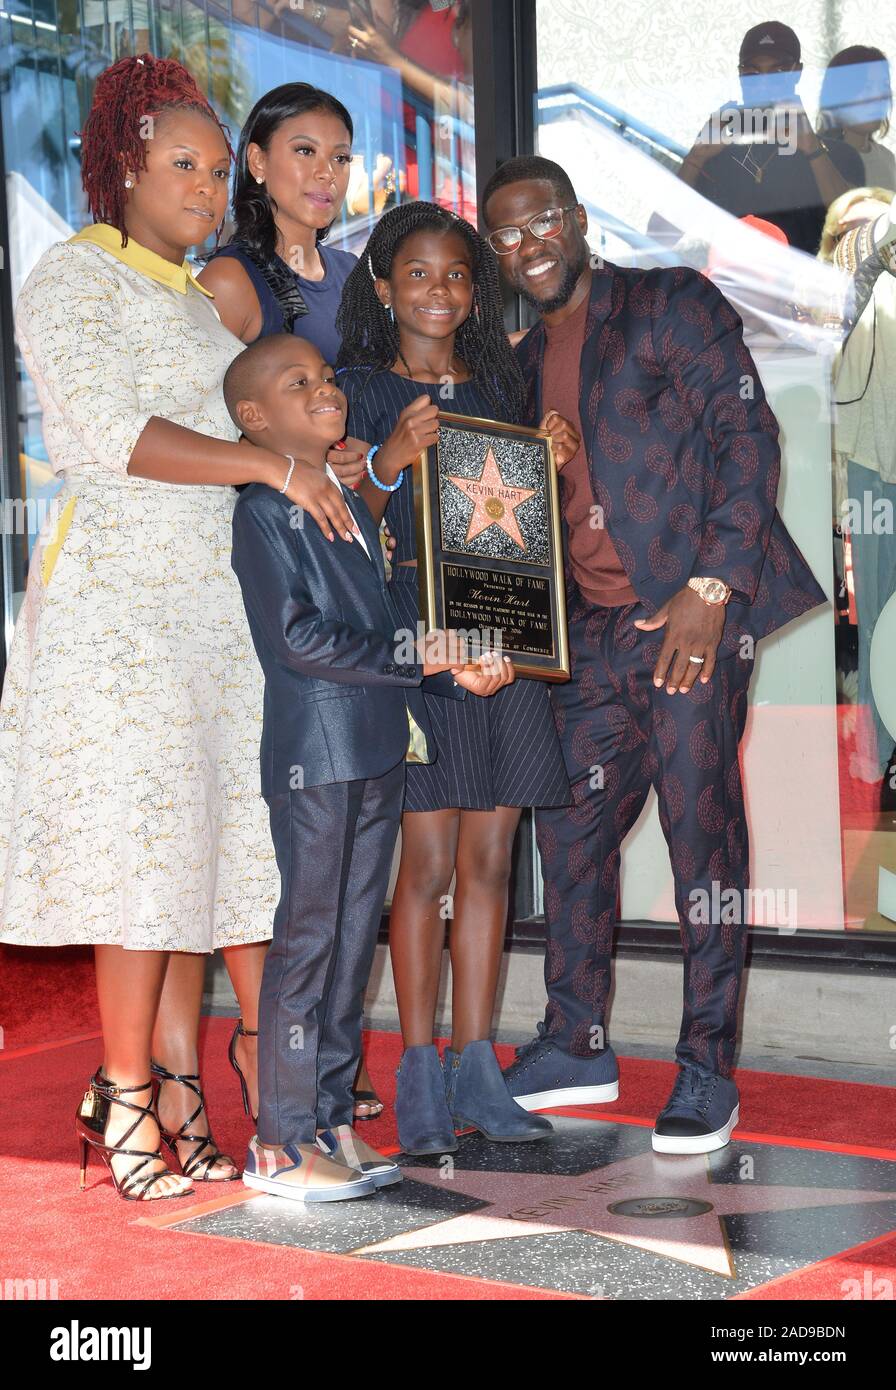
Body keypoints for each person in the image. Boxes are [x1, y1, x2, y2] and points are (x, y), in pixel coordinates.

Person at [1, 53, 360, 1201]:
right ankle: (123, 1096)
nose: (207, 189)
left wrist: (312, 459)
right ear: (123, 166)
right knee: (140, 857)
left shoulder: (200, 301)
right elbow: (108, 429)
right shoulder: (71, 277)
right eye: (184, 167)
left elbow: (250, 428)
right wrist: (266, 461)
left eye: (215, 171)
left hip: (220, 611)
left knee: (204, 862)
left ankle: (178, 1087)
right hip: (124, 612)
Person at [482, 155, 827, 1154]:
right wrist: (529, 470)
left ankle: (706, 1065)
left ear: (576, 217)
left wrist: (710, 589)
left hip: (688, 618)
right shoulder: (511, 362)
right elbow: (505, 516)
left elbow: (744, 436)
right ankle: (575, 1040)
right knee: (570, 833)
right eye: (504, 235)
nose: (526, 245)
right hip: (586, 634)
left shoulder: (668, 302)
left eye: (540, 221)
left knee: (698, 834)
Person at [227, 333, 511, 1199]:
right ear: (252, 418)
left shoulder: (347, 502)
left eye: (326, 378)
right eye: (298, 383)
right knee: (309, 944)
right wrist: (424, 651)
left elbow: (387, 625)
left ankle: (330, 1119)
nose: (326, 391)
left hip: (375, 750)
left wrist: (453, 661)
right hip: (318, 756)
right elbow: (299, 640)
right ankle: (278, 1141)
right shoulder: (262, 507)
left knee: (353, 946)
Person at [336, 202, 577, 1156]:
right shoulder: (353, 392)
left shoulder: (507, 380)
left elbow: (519, 530)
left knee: (489, 867)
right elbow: (341, 526)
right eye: (420, 274)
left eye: (458, 275)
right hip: (422, 656)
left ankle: (480, 1069)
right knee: (425, 870)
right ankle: (420, 1071)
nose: (441, 291)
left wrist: (549, 467)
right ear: (385, 287)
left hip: (507, 655)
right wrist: (388, 463)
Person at [199, 82, 386, 1122]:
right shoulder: (230, 280)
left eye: (340, 155)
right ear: (257, 163)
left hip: (340, 534)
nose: (323, 172)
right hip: (261, 563)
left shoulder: (354, 276)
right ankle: (267, 1071)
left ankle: (309, 1076)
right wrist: (284, 470)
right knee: (291, 863)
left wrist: (352, 458)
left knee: (346, 878)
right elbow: (208, 421)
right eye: (302, 151)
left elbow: (339, 424)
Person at [819, 188, 896, 786]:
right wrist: (871, 240)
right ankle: (880, 757)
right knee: (875, 620)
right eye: (853, 228)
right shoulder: (831, 293)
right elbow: (831, 314)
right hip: (868, 473)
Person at [679, 21, 863, 256]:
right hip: (726, 289)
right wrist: (696, 158)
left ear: (797, 72)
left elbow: (856, 237)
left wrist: (813, 150)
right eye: (752, 72)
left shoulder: (838, 154)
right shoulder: (720, 153)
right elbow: (661, 234)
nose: (763, 83)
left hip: (803, 289)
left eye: (778, 72)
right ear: (740, 74)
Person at [818, 47, 896, 191]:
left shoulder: (888, 159)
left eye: (883, 86)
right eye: (867, 87)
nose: (878, 97)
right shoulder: (819, 161)